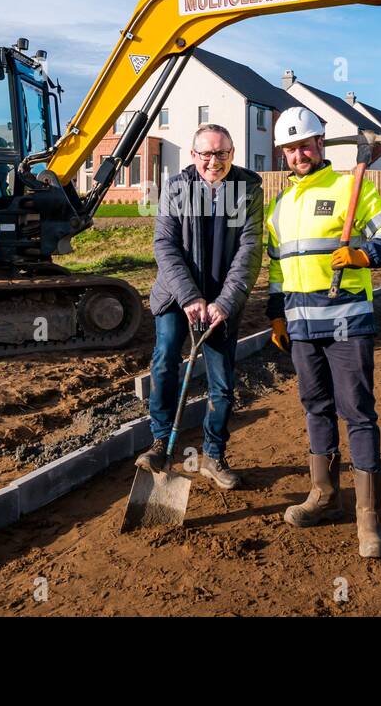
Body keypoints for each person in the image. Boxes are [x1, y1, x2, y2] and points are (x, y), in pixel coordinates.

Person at [265, 106, 381, 558]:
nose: (298, 154)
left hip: (347, 321)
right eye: (290, 149)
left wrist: (368, 255)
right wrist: (275, 314)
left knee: (358, 412)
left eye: (304, 145)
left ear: (320, 145)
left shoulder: (351, 187)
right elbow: (277, 268)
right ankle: (324, 495)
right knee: (315, 407)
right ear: (283, 154)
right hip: (301, 325)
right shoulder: (280, 205)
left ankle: (369, 520)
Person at [137, 123, 264, 489]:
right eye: (205, 153)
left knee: (222, 381)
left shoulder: (245, 190)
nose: (213, 160)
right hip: (177, 296)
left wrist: (224, 302)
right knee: (165, 361)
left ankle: (213, 454)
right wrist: (191, 297)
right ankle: (161, 443)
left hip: (223, 301)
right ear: (193, 156)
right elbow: (165, 245)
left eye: (221, 153)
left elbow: (249, 250)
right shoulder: (178, 188)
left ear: (232, 154)